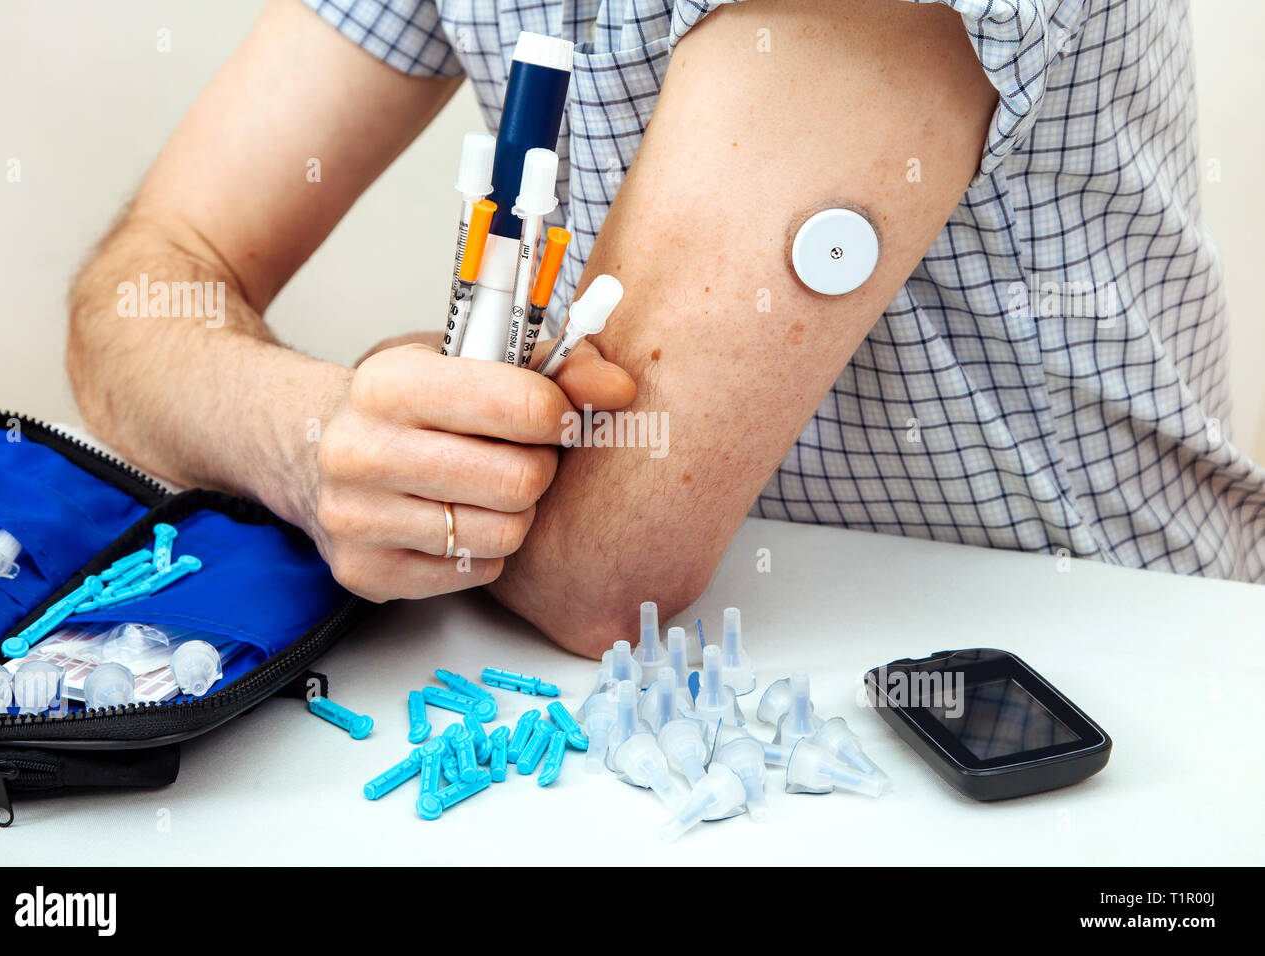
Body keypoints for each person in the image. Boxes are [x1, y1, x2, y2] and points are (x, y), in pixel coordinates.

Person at [67, 0, 1265, 659]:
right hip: (722, 661)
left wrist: (418, 462)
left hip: (1113, 664)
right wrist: (316, 434)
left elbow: (599, 573)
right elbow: (140, 287)